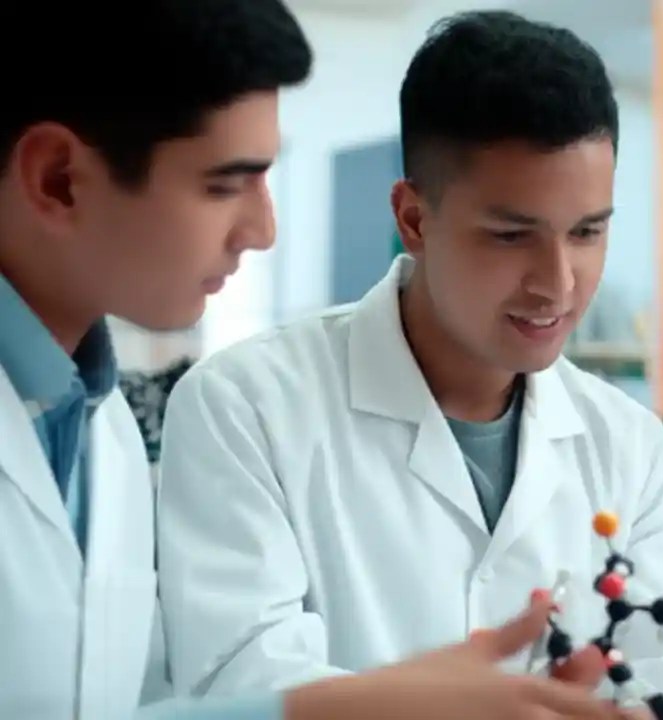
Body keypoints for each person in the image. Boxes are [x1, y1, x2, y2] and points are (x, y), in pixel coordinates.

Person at [0, 2, 629, 719]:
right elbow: (234, 673)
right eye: (225, 184)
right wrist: (362, 708)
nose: (264, 229)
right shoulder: (232, 403)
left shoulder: (95, 420)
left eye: (587, 232)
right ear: (57, 180)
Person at [154, 9, 663, 719]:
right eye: (510, 235)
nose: (557, 282)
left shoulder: (630, 445)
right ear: (413, 219)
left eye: (587, 232)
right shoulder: (245, 406)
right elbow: (242, 686)